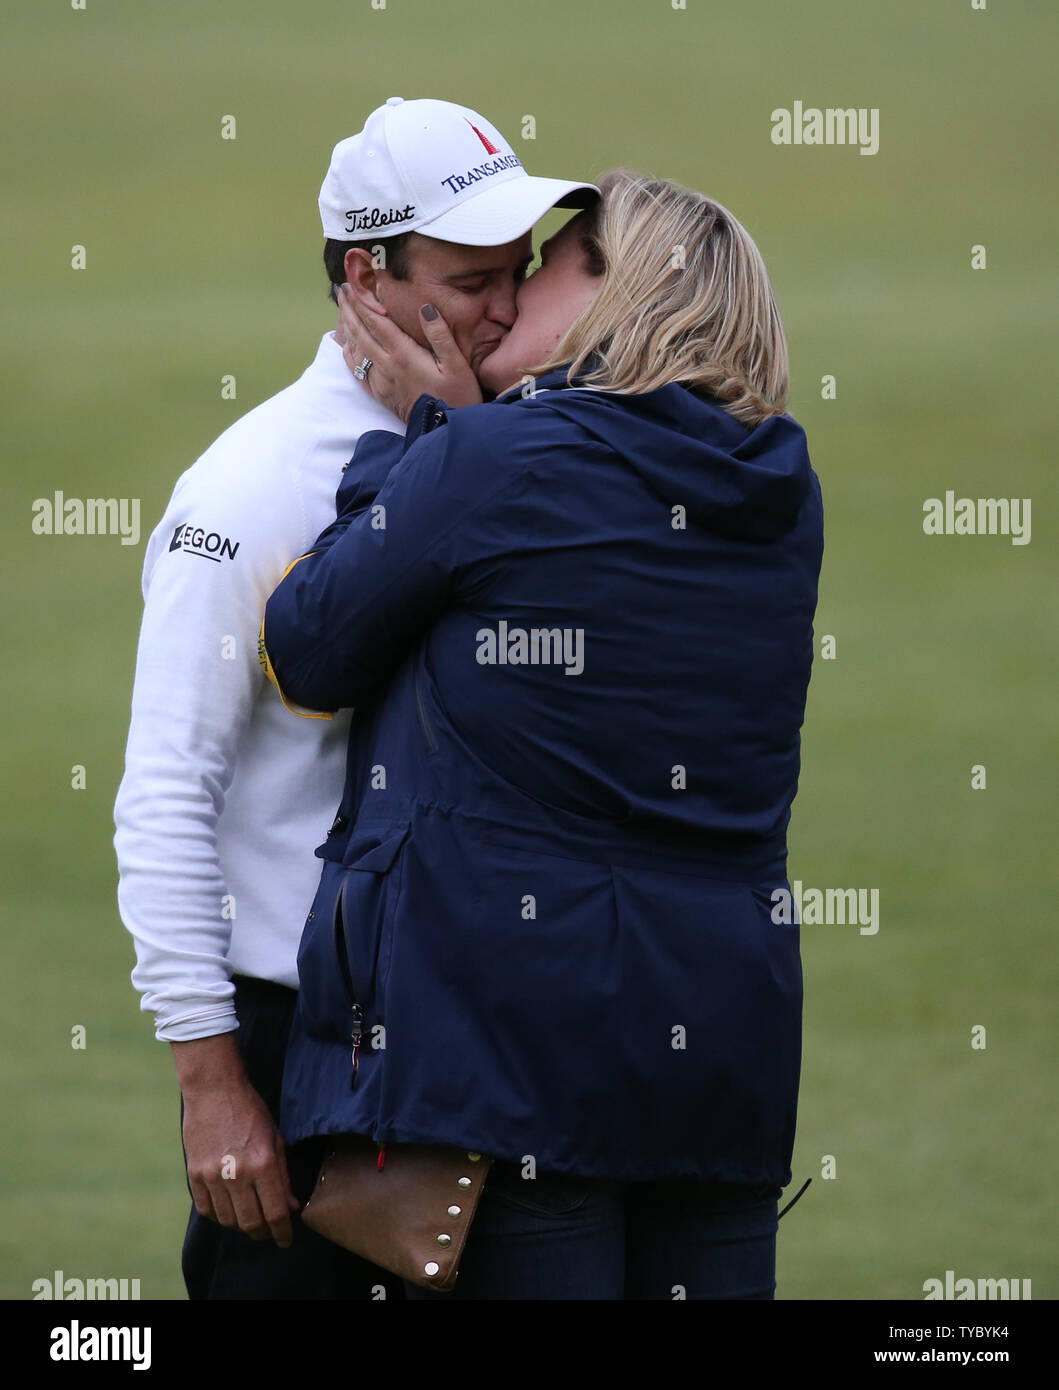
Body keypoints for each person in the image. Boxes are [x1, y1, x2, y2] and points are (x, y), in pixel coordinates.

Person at [261, 169, 824, 1300]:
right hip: (722, 1052)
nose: (508, 297)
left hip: (509, 1055)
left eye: (548, 263)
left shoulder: (487, 461)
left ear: (619, 291)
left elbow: (309, 644)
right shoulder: (781, 486)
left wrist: (424, 440)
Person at [111, 94, 597, 1300]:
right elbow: (165, 794)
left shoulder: (525, 437)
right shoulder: (249, 492)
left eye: (520, 270)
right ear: (368, 277)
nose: (510, 302)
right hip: (293, 1052)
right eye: (475, 275)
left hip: (491, 1038)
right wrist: (214, 1088)